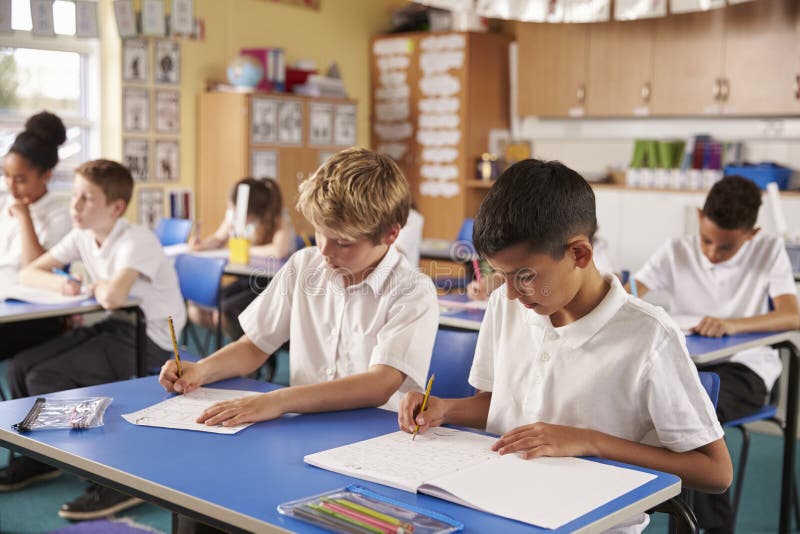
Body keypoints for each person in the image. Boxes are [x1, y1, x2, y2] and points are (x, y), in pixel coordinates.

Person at [398, 159, 732, 533]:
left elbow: (716, 471)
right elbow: (500, 405)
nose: (511, 292)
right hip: (500, 504)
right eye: (501, 276)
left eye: (525, 276)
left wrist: (590, 442)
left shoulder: (649, 336)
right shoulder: (506, 304)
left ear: (579, 254)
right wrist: (446, 409)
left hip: (593, 522)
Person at [160, 147, 438, 533]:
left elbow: (380, 384)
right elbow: (254, 345)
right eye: (319, 232)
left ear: (390, 234)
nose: (324, 250)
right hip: (299, 434)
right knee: (200, 507)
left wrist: (277, 401)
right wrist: (200, 371)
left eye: (342, 242)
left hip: (374, 450)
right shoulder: (305, 265)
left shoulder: (413, 290)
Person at [0, 159, 187, 520]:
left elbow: (113, 296)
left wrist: (97, 285)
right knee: (20, 368)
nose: (75, 205)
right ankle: (40, 457)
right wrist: (63, 283)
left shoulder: (137, 239)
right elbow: (30, 271)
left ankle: (112, 479)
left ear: (116, 207)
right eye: (75, 195)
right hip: (116, 326)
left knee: (47, 377)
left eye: (87, 198)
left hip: (154, 340)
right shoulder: (83, 235)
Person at [630, 175, 800, 533]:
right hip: (689, 368)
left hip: (747, 370)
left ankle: (704, 528)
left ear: (751, 234)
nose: (711, 253)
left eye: (726, 248)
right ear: (698, 217)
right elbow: (629, 291)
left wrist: (730, 324)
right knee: (651, 408)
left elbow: (792, 315)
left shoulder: (769, 251)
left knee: (694, 419)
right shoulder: (676, 249)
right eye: (707, 240)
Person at [0, 111, 72, 358]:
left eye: (20, 179)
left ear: (46, 175)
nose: (11, 186)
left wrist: (25, 218)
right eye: (7, 175)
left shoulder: (58, 215)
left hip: (33, 313)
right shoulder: (5, 204)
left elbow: (36, 270)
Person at [189, 177, 294, 340]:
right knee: (202, 306)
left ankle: (250, 343)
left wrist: (245, 249)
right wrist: (202, 245)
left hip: (270, 282)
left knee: (226, 312)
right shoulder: (234, 215)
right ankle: (239, 339)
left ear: (249, 210)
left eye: (234, 207)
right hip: (247, 279)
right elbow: (218, 238)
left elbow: (279, 251)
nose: (231, 212)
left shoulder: (277, 217)